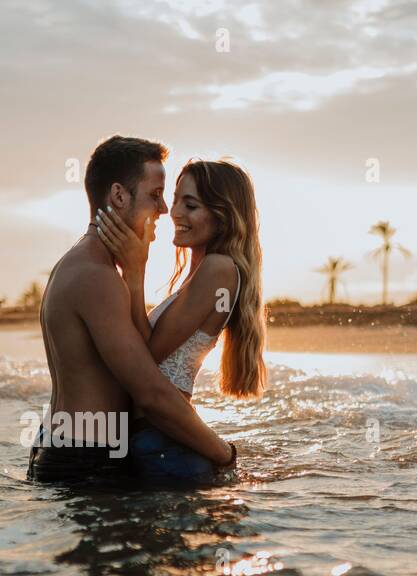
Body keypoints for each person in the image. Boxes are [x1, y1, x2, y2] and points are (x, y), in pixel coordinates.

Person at [27, 135, 236, 485]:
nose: (164, 210)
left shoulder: (81, 263)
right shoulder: (97, 276)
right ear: (119, 196)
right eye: (155, 195)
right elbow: (152, 394)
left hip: (65, 447)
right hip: (87, 460)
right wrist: (224, 454)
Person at [94, 159, 266, 482]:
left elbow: (144, 357)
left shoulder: (218, 269)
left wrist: (135, 270)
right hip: (157, 443)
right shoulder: (199, 273)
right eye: (175, 200)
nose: (174, 213)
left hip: (166, 449)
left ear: (222, 215)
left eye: (191, 205)